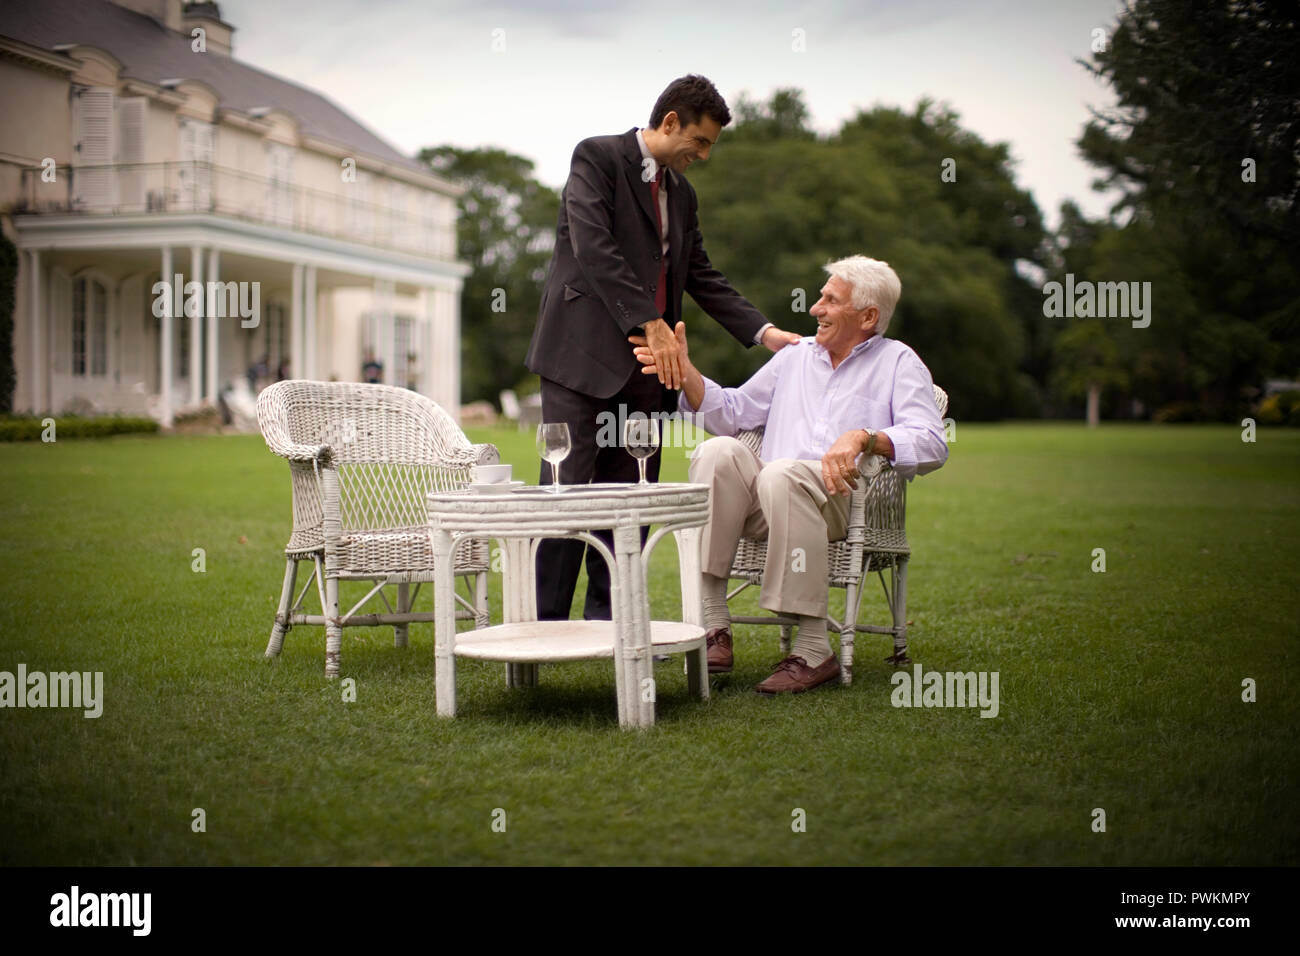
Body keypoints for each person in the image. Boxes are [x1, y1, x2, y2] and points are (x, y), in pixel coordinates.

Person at [524, 74, 801, 622]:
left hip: (651, 376)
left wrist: (762, 332)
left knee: (632, 506)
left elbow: (700, 274)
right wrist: (650, 322)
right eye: (698, 141)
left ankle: (611, 631)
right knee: (565, 502)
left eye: (709, 147)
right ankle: (543, 634)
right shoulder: (597, 158)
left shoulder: (683, 194)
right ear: (671, 122)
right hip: (578, 364)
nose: (702, 154)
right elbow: (594, 247)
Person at [632, 256, 949, 695]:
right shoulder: (796, 357)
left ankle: (814, 648)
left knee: (782, 473)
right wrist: (686, 373)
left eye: (830, 300)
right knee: (717, 452)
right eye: (820, 297)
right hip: (770, 498)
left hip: (839, 503)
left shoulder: (898, 362)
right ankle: (714, 626)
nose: (815, 308)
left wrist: (865, 437)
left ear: (868, 316)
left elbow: (932, 442)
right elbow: (735, 412)